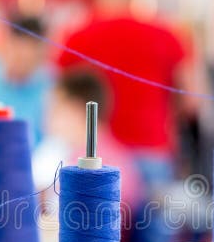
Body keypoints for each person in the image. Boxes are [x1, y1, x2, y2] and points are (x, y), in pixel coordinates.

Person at [57, 0, 192, 242]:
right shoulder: (166, 35)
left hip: (100, 158)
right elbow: (192, 98)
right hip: (153, 154)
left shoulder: (77, 36)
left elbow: (63, 98)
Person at [45, 70, 144, 213]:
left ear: (75, 110)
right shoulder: (66, 154)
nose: (47, 119)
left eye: (55, 110)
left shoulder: (113, 168)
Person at [0, 14, 52, 146]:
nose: (21, 63)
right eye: (18, 54)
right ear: (7, 44)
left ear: (41, 55)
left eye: (29, 59)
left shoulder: (49, 88)